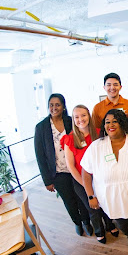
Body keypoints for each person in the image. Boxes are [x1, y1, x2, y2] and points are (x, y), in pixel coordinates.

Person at [81, 109, 128, 251]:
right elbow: (85, 172)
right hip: (109, 195)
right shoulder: (96, 146)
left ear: (123, 123)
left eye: (115, 121)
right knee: (119, 217)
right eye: (107, 122)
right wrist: (91, 195)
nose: (111, 125)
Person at [34, 94, 92, 236]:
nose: (54, 108)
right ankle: (77, 223)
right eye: (51, 105)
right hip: (59, 172)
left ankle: (86, 221)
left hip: (76, 169)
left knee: (81, 197)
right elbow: (40, 155)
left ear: (63, 106)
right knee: (69, 201)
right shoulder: (41, 127)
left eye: (57, 105)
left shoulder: (70, 121)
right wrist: (47, 180)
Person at [61, 105, 119, 243]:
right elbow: (71, 166)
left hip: (101, 177)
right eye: (76, 117)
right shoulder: (69, 139)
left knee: (105, 201)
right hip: (81, 180)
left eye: (83, 115)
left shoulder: (99, 133)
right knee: (92, 207)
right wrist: (87, 185)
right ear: (73, 119)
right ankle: (99, 230)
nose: (80, 119)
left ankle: (110, 224)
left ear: (89, 116)